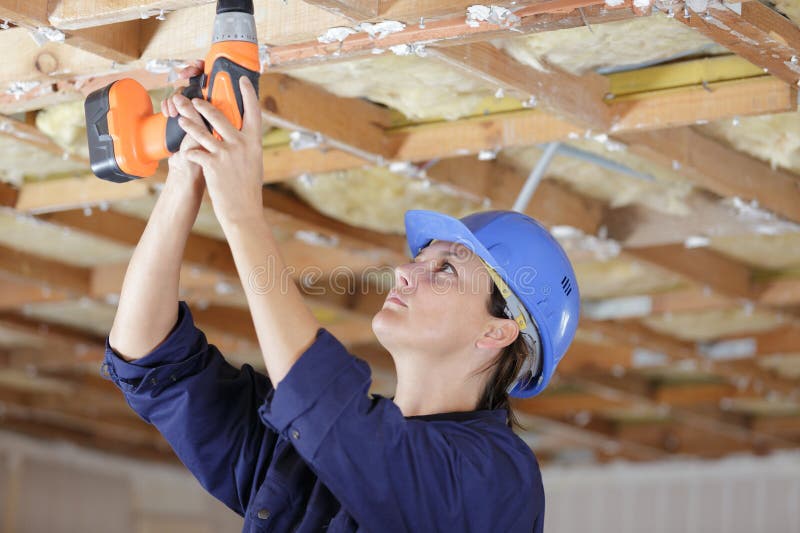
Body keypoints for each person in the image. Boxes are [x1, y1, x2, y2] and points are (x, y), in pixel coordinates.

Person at [102, 64, 580, 532]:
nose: (405, 272)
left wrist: (244, 213)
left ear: (497, 330)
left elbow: (327, 410)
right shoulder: (309, 457)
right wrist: (189, 175)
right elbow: (149, 359)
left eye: (447, 269)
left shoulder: (498, 480)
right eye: (421, 258)